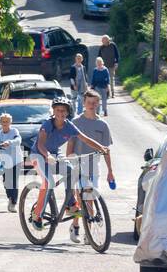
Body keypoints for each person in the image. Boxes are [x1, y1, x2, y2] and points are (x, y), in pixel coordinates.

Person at [29, 99, 109, 239]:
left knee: (72, 170)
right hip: (38, 154)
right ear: (53, 111)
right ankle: (37, 215)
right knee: (49, 183)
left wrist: (101, 148)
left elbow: (84, 138)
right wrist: (47, 156)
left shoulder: (69, 126)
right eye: (58, 110)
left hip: (54, 154)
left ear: (67, 112)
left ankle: (71, 205)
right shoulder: (47, 125)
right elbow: (41, 144)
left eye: (63, 110)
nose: (61, 113)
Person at [68, 89, 115, 242]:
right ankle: (75, 227)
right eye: (89, 103)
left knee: (90, 196)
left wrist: (110, 171)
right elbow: (70, 146)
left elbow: (106, 150)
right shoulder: (75, 122)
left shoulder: (102, 125)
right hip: (77, 164)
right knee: (79, 197)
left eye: (95, 103)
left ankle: (88, 229)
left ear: (98, 104)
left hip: (94, 164)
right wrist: (70, 161)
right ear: (84, 103)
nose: (92, 105)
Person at [0, 112, 23, 212]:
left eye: (7, 121)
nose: (5, 123)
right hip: (6, 161)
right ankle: (10, 198)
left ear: (10, 122)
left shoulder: (14, 131)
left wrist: (9, 142)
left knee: (13, 182)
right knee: (6, 182)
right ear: (0, 123)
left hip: (16, 160)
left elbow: (18, 140)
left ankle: (13, 203)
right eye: (3, 122)